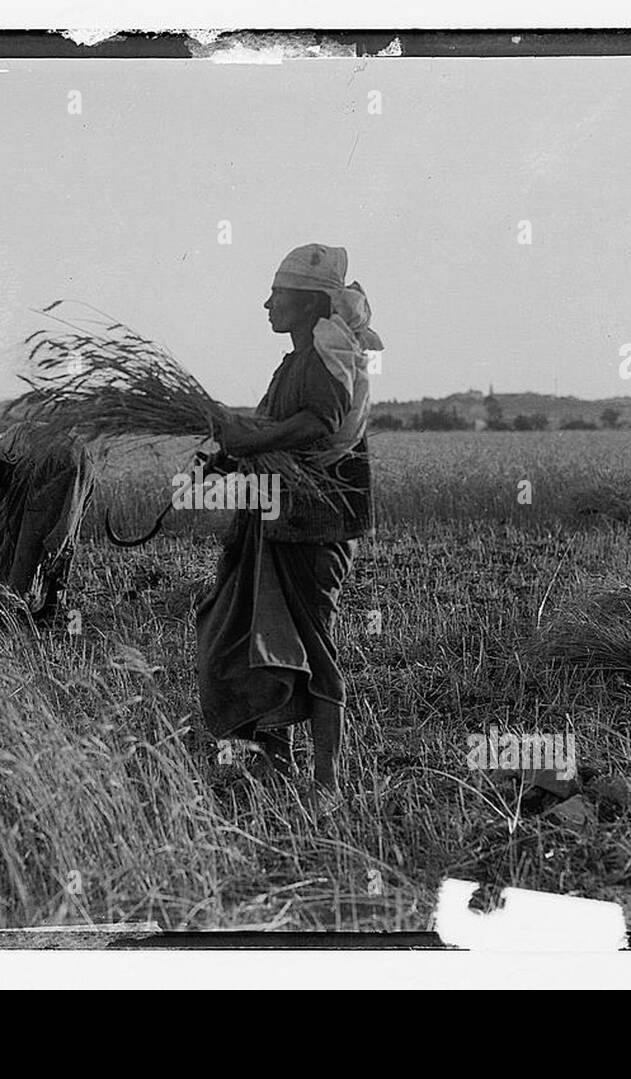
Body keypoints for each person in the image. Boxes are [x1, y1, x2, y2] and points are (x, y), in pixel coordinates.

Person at [197, 244, 380, 806]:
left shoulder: (324, 357)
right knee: (260, 642)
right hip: (280, 518)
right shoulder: (295, 362)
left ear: (306, 302)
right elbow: (278, 427)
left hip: (314, 522)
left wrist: (249, 440)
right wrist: (232, 455)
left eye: (277, 294)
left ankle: (325, 789)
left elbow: (317, 424)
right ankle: (280, 774)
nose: (266, 304)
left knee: (314, 647)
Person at [0, 392, 95, 625]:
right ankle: (45, 608)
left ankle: (11, 609)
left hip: (43, 479)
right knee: (54, 539)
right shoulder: (17, 441)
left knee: (22, 548)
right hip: (70, 470)